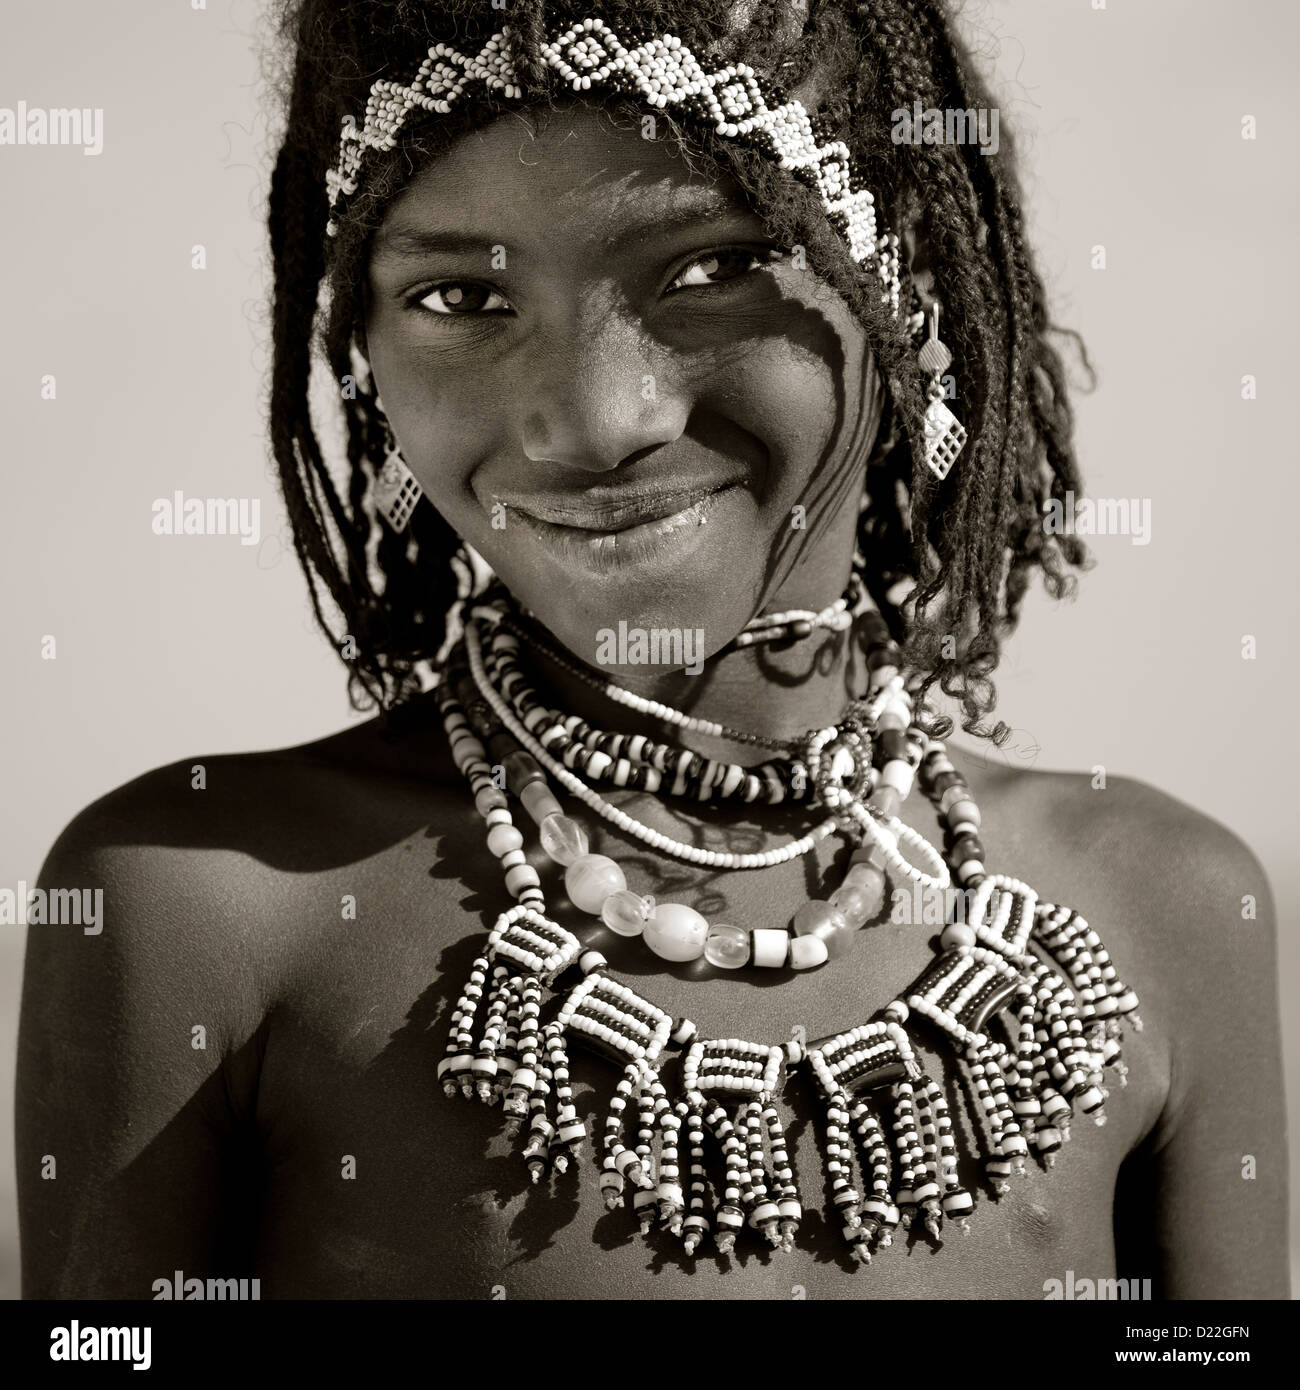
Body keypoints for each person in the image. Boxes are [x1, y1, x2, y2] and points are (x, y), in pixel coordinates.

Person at [17, 0, 1287, 1300]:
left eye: (708, 269)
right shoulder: (203, 901)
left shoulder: (1164, 911)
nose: (592, 418)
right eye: (463, 296)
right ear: (361, 358)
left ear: (905, 289)